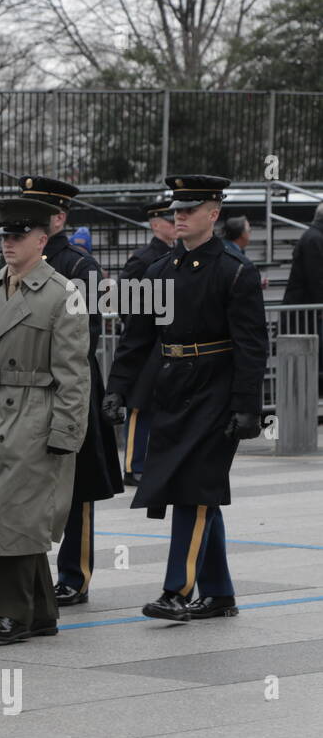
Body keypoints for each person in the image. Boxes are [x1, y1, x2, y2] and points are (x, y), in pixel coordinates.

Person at [0, 176, 121, 609]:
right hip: (0, 412)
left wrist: (65, 422)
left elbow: (80, 347)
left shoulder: (76, 270)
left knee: (70, 492)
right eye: (6, 232)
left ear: (49, 225)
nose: (10, 241)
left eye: (22, 231)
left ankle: (69, 579)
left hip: (51, 397)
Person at [104, 175, 269, 622]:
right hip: (174, 388)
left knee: (193, 490)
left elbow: (253, 345)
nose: (179, 216)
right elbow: (136, 339)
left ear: (213, 214)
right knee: (197, 489)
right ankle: (218, 594)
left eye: (189, 209)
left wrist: (247, 405)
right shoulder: (157, 271)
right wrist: (117, 388)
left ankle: (177, 590)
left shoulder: (235, 270)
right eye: (176, 210)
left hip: (216, 388)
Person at [118, 198, 176, 487]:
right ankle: (133, 465)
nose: (175, 223)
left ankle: (153, 461)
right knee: (141, 405)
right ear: (155, 224)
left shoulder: (181, 255)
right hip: (149, 344)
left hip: (171, 342)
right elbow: (126, 304)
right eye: (168, 219)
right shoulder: (143, 259)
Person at [283, 201, 323, 398]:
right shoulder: (314, 239)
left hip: (306, 315)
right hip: (305, 317)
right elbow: (317, 280)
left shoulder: (314, 237)